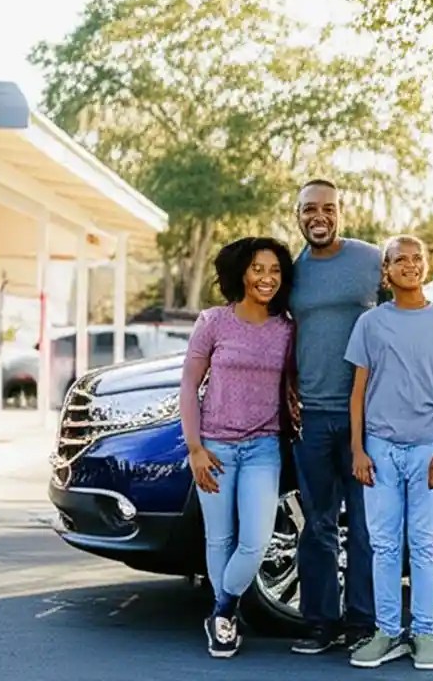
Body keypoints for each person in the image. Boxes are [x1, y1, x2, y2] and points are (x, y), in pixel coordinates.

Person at [287, 179, 433, 655]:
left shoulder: (372, 258)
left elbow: (419, 305)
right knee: (318, 523)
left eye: (328, 208)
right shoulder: (293, 272)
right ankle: (320, 624)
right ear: (298, 215)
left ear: (340, 211)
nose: (319, 216)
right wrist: (285, 380)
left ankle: (368, 625)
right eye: (309, 209)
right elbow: (283, 331)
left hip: (369, 420)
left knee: (371, 532)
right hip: (313, 411)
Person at [346, 234, 433, 671]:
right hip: (380, 448)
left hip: (428, 448)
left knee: (424, 545)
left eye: (417, 259)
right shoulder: (370, 325)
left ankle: (425, 634)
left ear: (426, 266)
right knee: (384, 545)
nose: (410, 265)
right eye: (399, 260)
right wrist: (358, 449)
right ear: (387, 271)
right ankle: (387, 632)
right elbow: (357, 393)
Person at [179, 237, 298, 659]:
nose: (266, 278)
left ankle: (222, 607)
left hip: (263, 447)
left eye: (275, 271)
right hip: (215, 447)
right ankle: (225, 622)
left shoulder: (287, 328)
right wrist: (194, 448)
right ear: (241, 273)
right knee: (220, 539)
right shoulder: (213, 322)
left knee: (255, 541)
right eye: (257, 269)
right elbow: (189, 385)